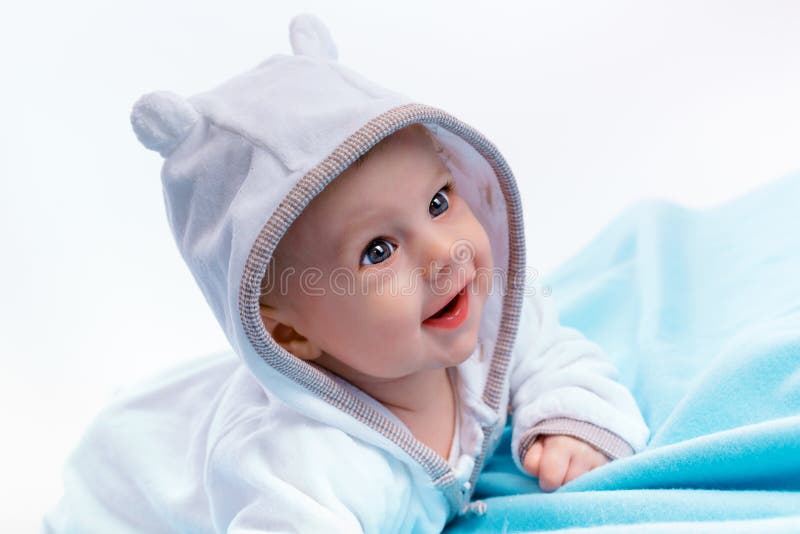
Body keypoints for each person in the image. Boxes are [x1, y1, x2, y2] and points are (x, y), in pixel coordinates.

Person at [43, 13, 649, 533]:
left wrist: (572, 423)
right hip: (122, 488)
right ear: (290, 337)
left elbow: (555, 354)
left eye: (439, 201)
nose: (444, 254)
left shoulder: (488, 322)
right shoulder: (302, 464)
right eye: (378, 251)